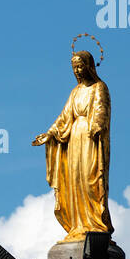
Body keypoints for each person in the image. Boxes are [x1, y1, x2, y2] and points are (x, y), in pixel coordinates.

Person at [31, 50, 114, 243]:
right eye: (73, 67)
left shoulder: (99, 87)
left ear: (89, 66)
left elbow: (102, 109)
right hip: (74, 140)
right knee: (74, 180)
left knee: (89, 179)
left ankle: (95, 224)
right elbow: (65, 117)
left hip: (89, 139)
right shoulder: (75, 92)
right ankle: (79, 225)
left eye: (80, 66)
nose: (76, 71)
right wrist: (50, 133)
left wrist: (98, 126)